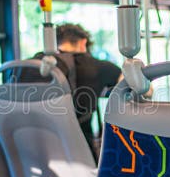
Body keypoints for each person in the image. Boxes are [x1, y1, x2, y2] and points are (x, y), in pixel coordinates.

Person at [37, 24, 122, 160]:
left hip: (38, 152)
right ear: (83, 42)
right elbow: (139, 88)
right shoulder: (97, 67)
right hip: (79, 155)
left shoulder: (38, 65)